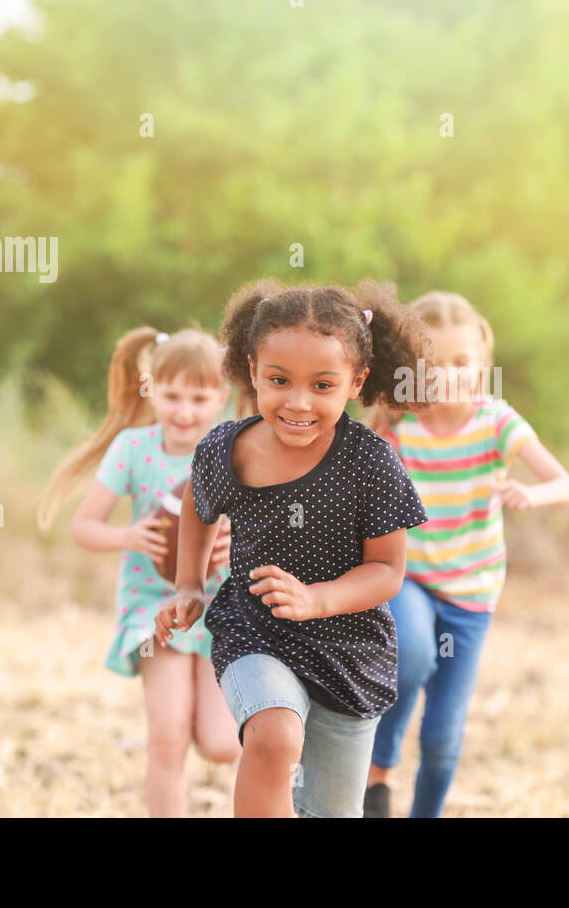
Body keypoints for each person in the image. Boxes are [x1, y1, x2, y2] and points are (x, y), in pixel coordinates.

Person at [155, 279, 432, 817]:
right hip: (256, 633)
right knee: (275, 732)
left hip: (350, 653)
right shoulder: (228, 448)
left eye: (322, 385)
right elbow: (197, 500)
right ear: (253, 369)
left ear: (356, 382)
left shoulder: (371, 464)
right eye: (279, 380)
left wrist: (317, 598)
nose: (298, 402)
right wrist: (189, 583)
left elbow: (386, 570)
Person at [363, 291, 569, 817]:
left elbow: (566, 484)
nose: (450, 376)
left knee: (443, 738)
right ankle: (378, 774)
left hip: (471, 593)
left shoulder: (495, 421)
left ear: (482, 366)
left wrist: (532, 494)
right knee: (410, 654)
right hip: (410, 578)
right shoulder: (401, 425)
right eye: (434, 364)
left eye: (462, 363)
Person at [37, 326, 240, 817]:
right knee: (168, 738)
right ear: (152, 389)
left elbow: (271, 528)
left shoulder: (236, 449)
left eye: (199, 396)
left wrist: (235, 543)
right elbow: (85, 527)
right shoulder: (133, 448)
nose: (185, 411)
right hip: (157, 610)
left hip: (222, 611)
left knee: (221, 745)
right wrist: (129, 536)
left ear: (223, 396)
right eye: (171, 396)